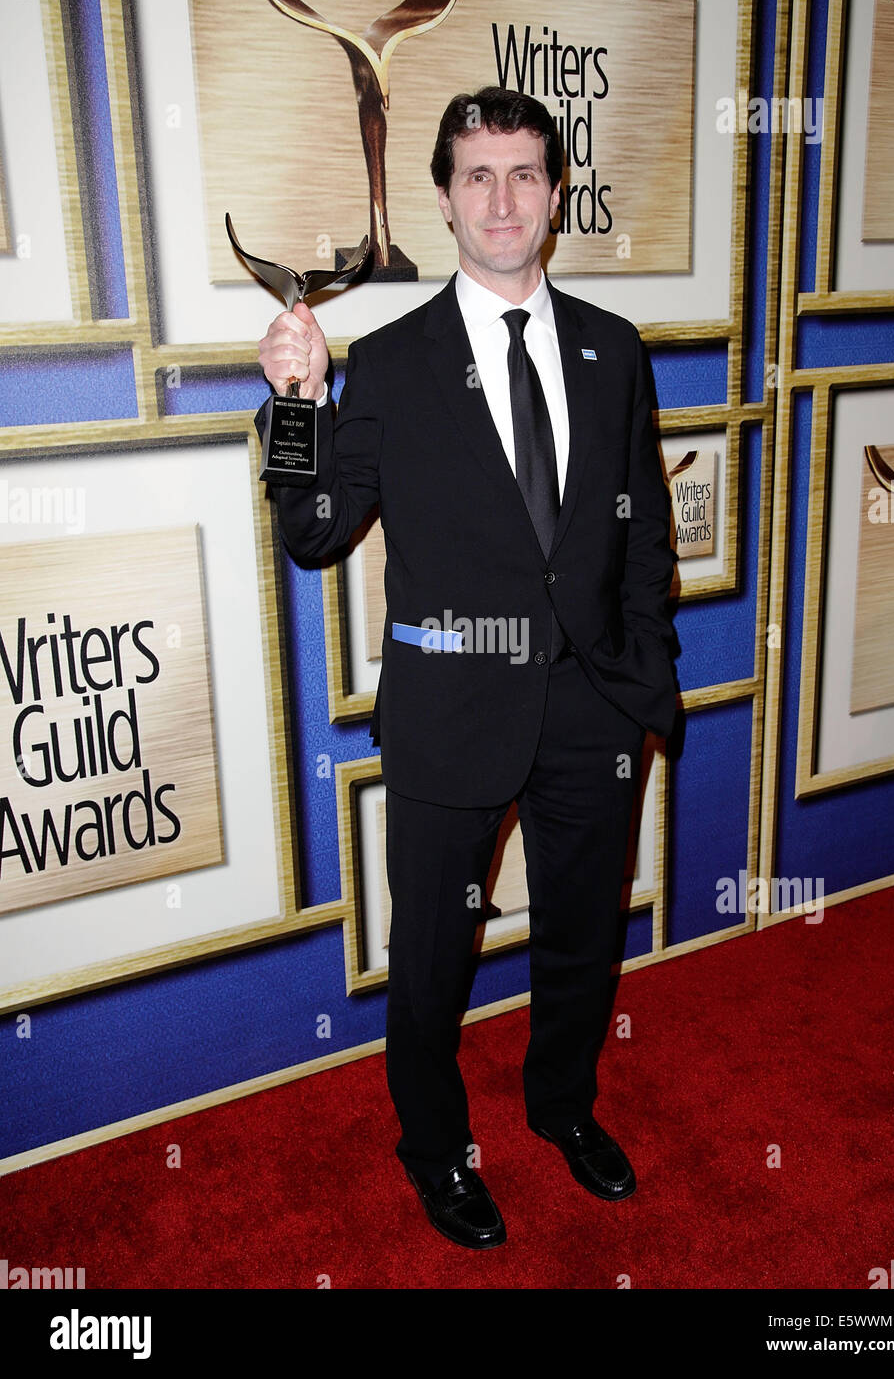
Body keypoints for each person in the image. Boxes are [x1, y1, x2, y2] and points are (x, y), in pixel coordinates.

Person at [257, 86, 677, 1251]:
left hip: (593, 706)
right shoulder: (389, 365)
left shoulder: (613, 348)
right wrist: (297, 400)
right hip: (450, 708)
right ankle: (437, 1149)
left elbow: (643, 532)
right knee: (434, 958)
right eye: (478, 176)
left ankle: (563, 1108)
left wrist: (646, 677)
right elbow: (315, 532)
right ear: (442, 197)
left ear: (555, 194)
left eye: (525, 174)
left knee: (584, 938)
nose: (503, 199)